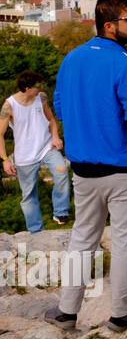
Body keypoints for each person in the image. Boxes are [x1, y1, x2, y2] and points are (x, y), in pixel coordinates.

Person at [45, 0, 127, 334]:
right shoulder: (126, 63)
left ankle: (67, 312)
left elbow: (61, 109)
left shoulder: (71, 60)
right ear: (110, 26)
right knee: (126, 240)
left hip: (85, 168)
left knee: (82, 238)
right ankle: (122, 313)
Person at [1, 70, 70, 231]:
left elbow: (51, 120)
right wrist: (5, 159)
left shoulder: (42, 98)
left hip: (46, 147)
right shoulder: (9, 105)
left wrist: (55, 136)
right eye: (36, 86)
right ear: (26, 88)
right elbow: (0, 134)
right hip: (25, 156)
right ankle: (36, 230)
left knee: (62, 172)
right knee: (29, 196)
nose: (40, 88)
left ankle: (60, 212)